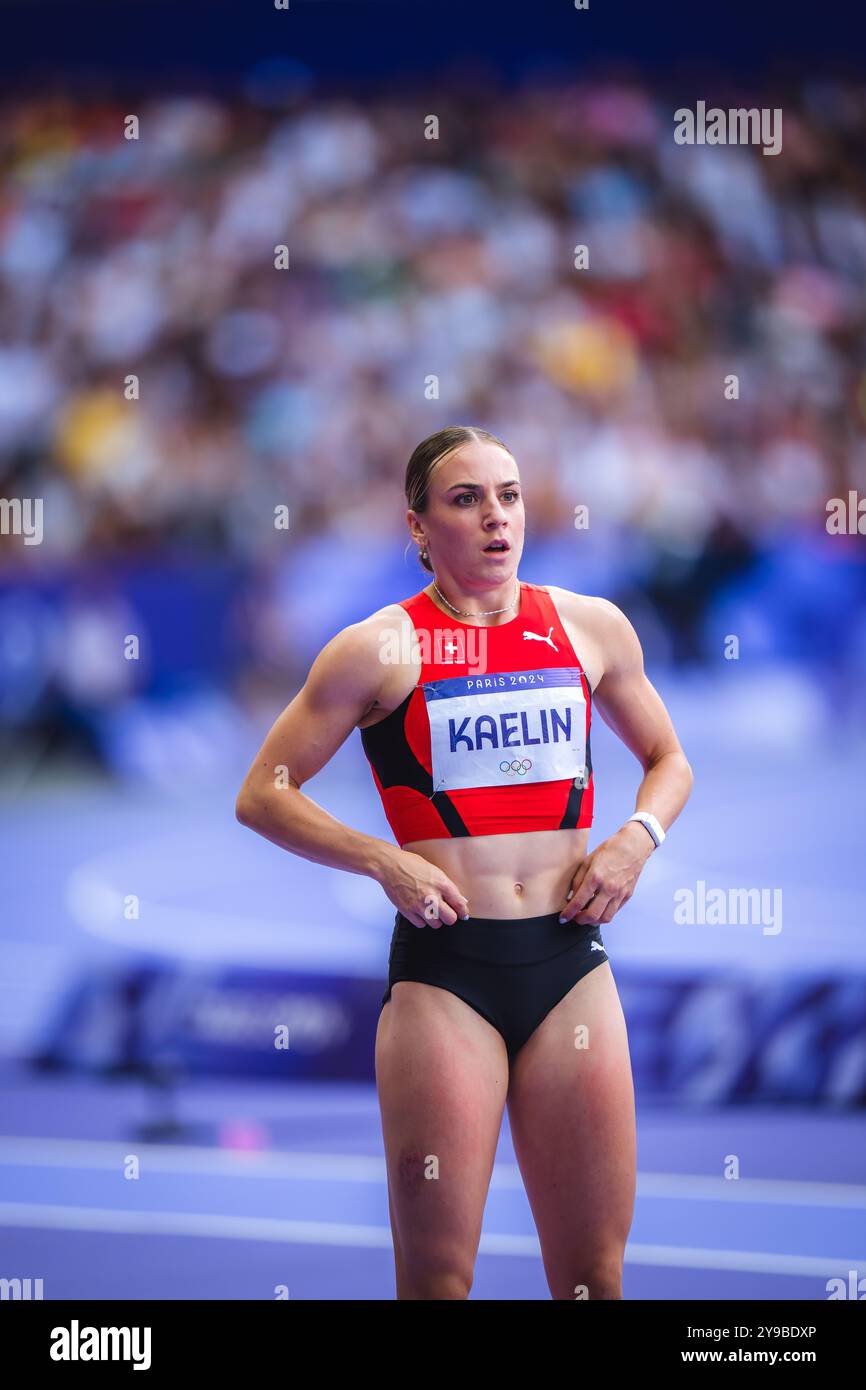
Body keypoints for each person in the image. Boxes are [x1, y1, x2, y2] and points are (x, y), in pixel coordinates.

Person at [235, 424, 694, 1299]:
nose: (497, 518)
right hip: (447, 982)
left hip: (570, 969)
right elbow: (264, 792)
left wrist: (639, 838)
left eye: (510, 496)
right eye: (467, 499)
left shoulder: (590, 628)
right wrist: (381, 860)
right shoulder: (378, 649)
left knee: (595, 1277)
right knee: (440, 1280)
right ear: (417, 527)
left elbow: (670, 761)